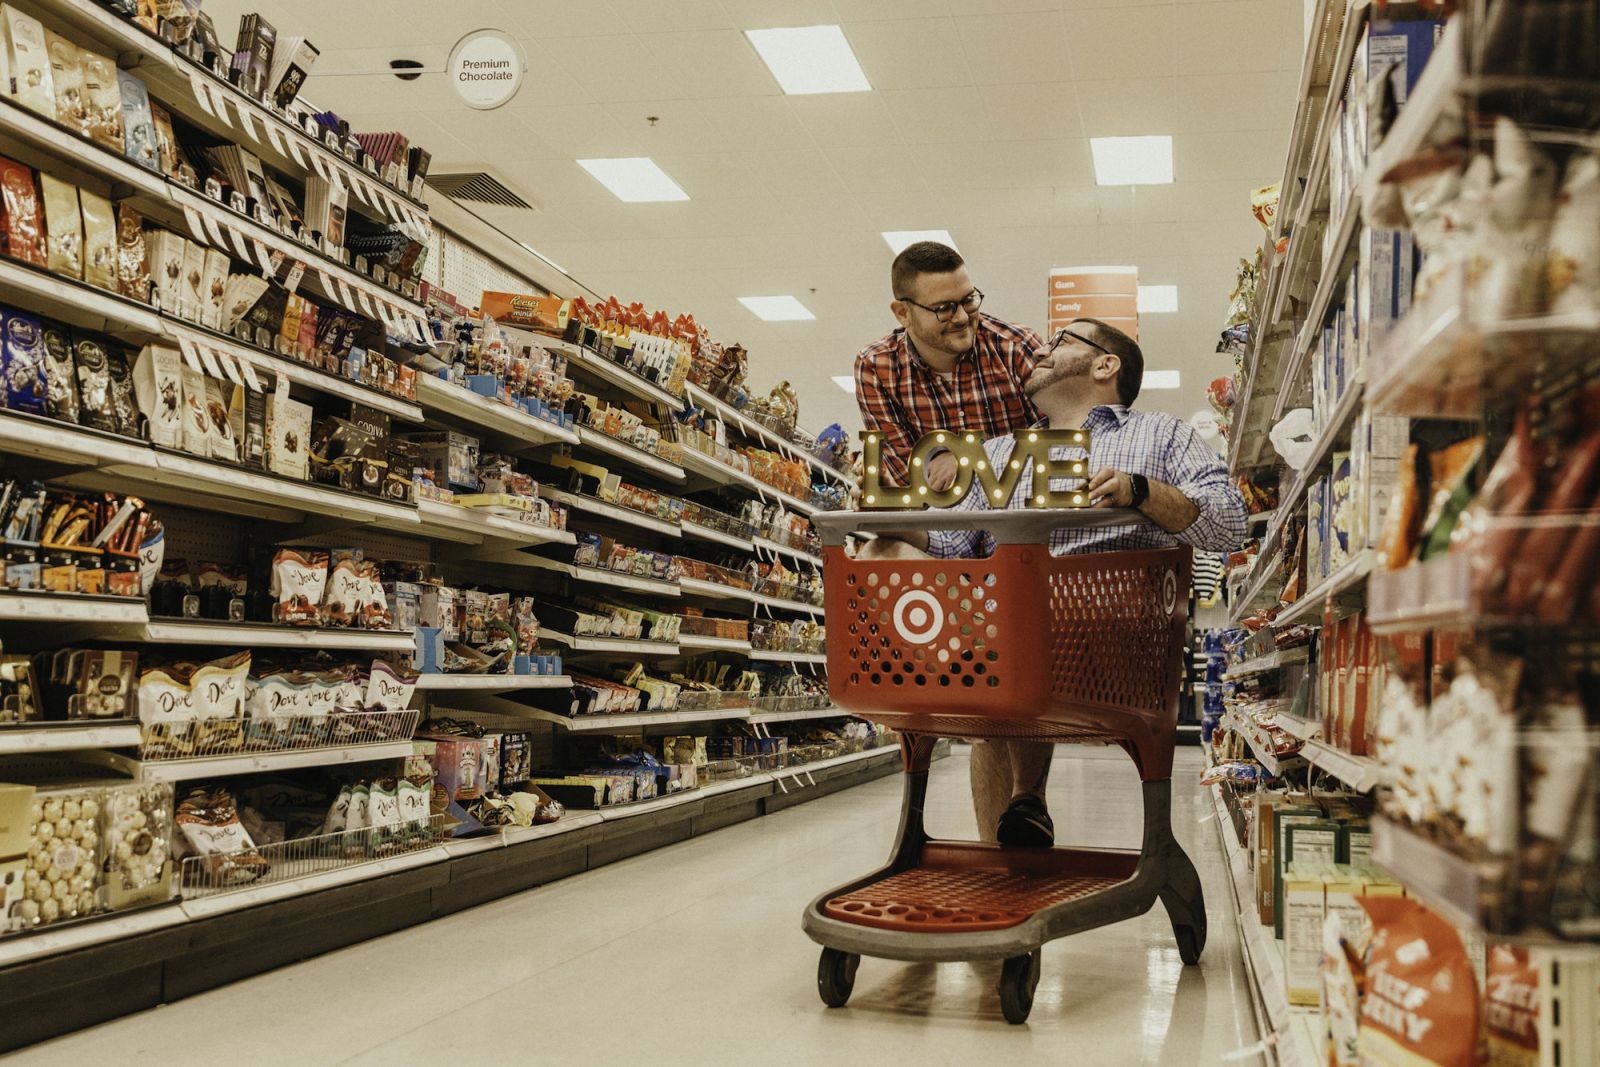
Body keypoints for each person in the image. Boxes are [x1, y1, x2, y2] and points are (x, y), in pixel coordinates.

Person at [861, 318, 1247, 847]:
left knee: (999, 656)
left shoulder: (1162, 434)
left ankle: (1023, 797)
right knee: (882, 552)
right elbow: (954, 547)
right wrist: (899, 521)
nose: (1040, 349)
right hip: (1005, 646)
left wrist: (1141, 491)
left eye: (1061, 341)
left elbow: (1229, 522)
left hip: (1119, 651)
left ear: (1104, 364)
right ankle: (1008, 843)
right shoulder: (999, 455)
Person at [854, 242, 1042, 493]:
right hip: (940, 526)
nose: (963, 317)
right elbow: (905, 475)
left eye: (968, 300)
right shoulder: (876, 368)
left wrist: (970, 458)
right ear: (902, 313)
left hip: (1022, 514)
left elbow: (1063, 440)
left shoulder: (1018, 347)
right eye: (944, 308)